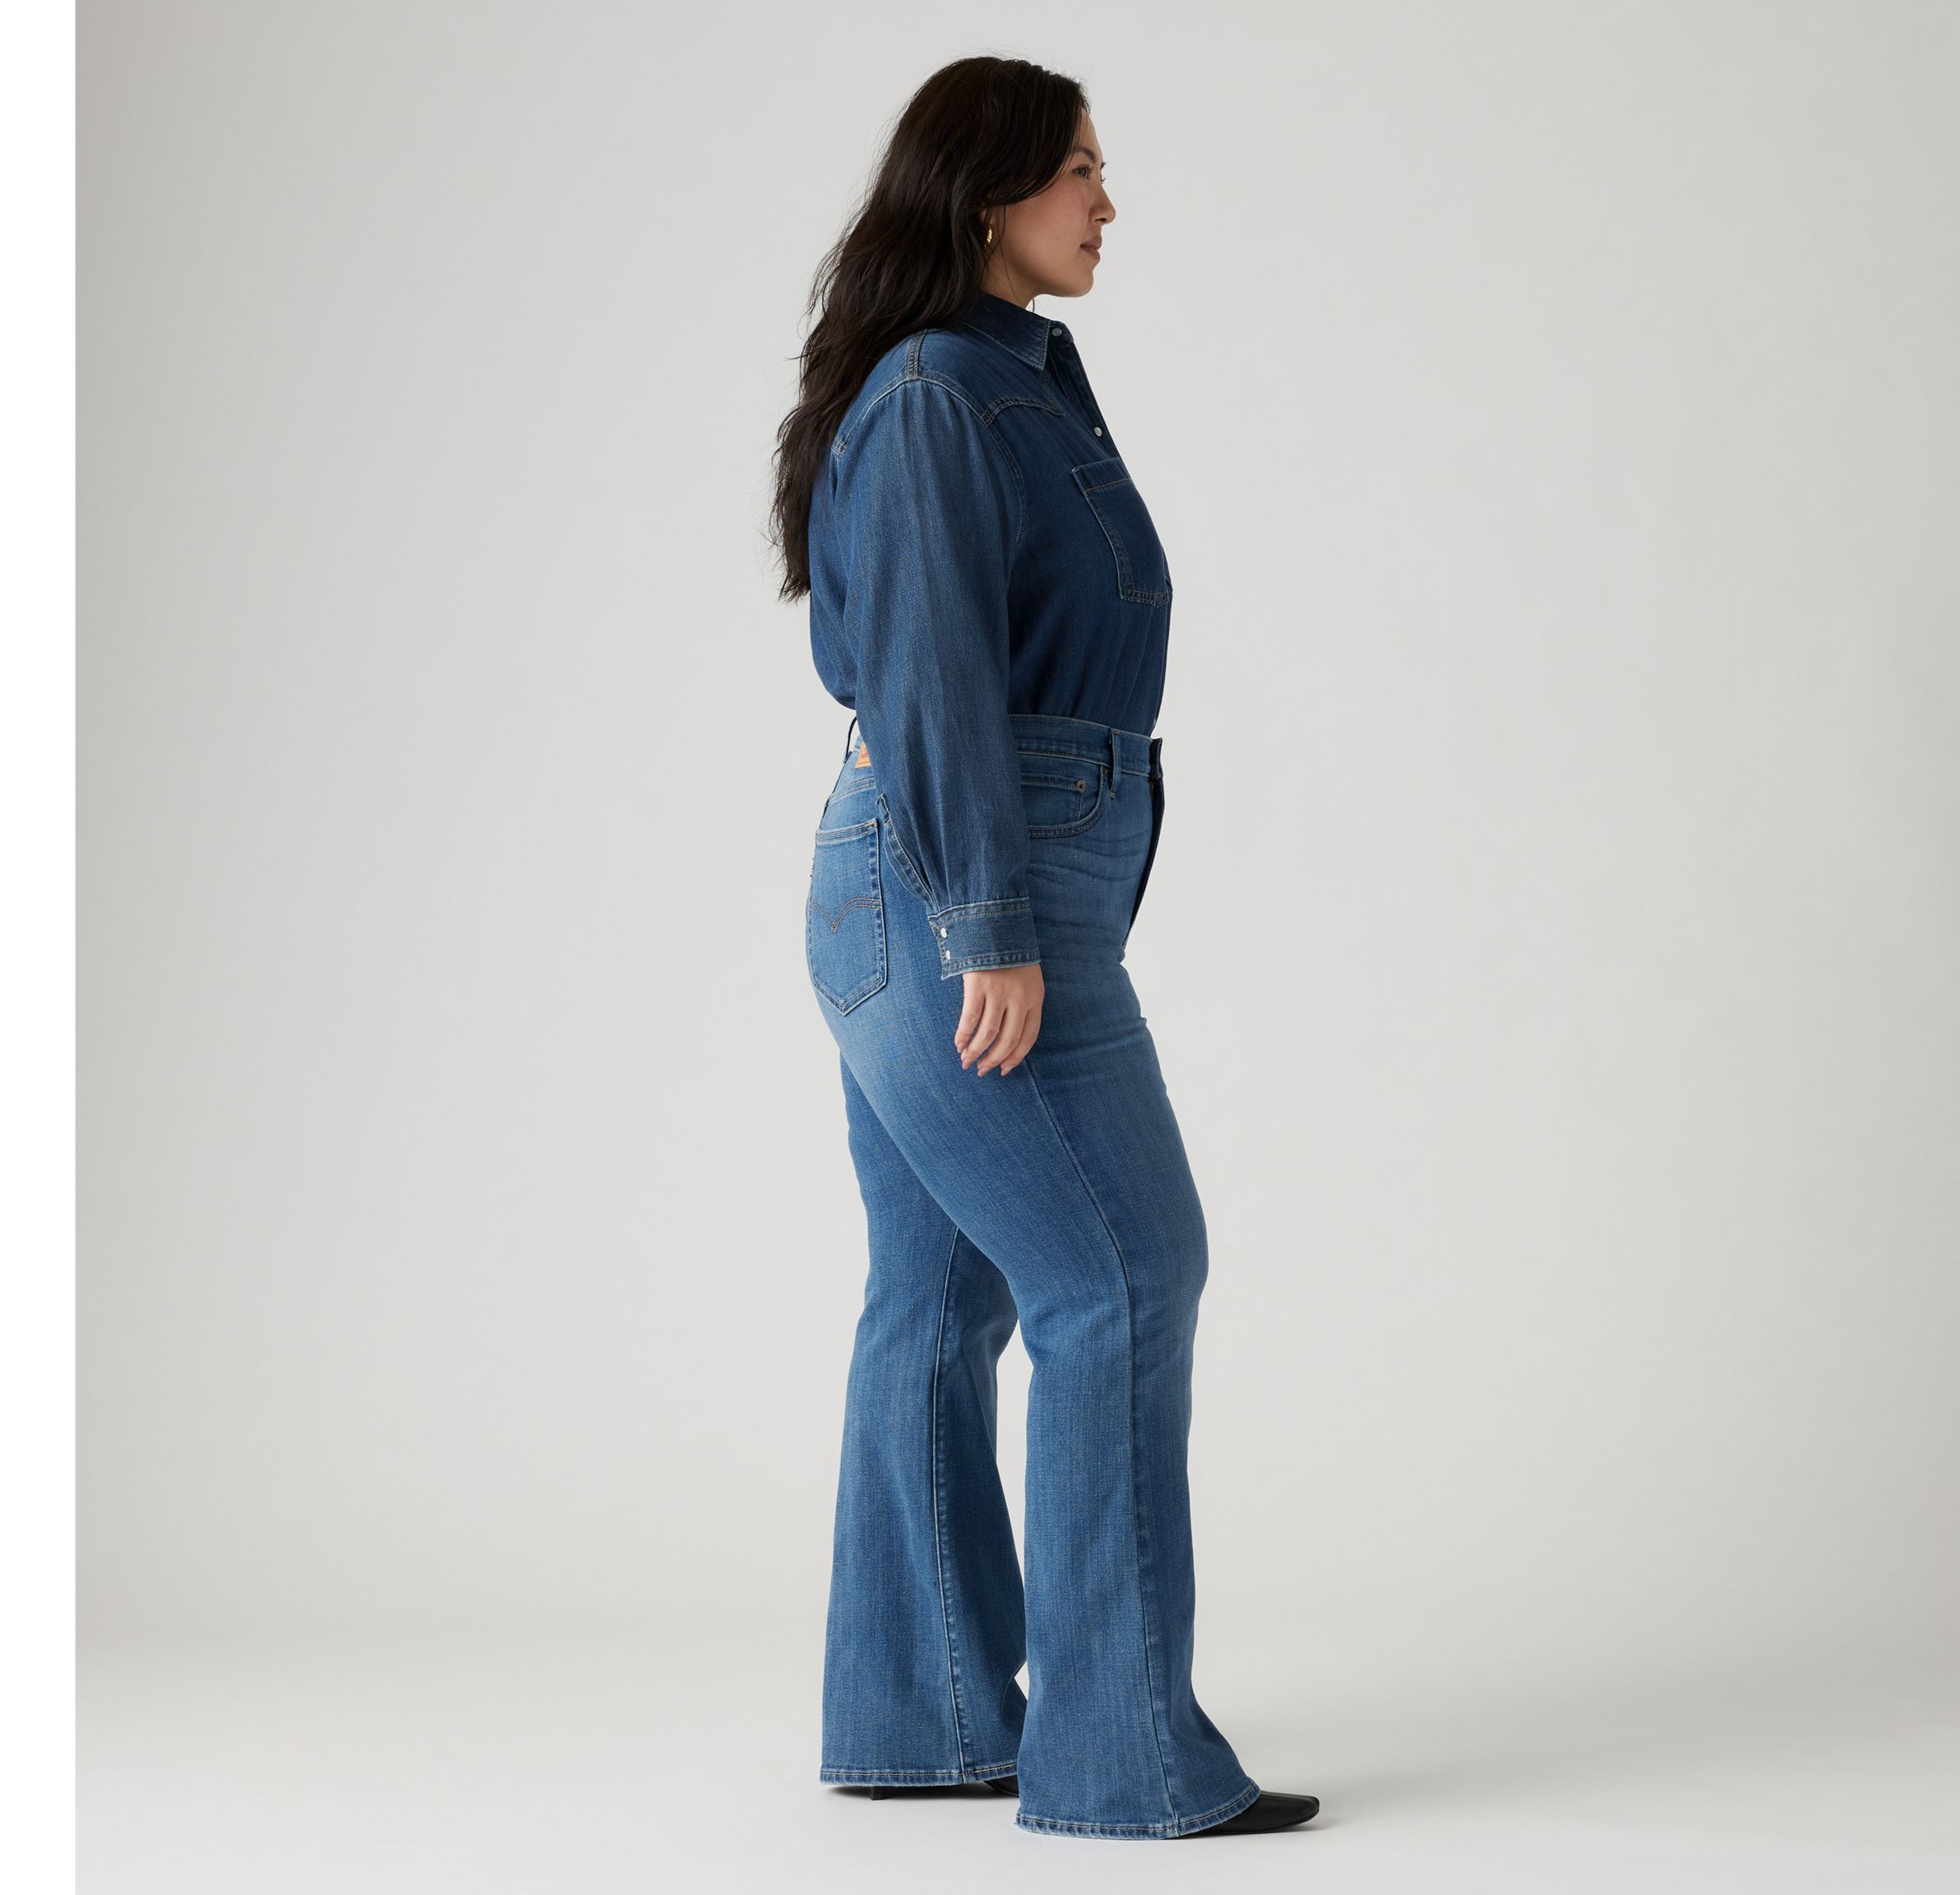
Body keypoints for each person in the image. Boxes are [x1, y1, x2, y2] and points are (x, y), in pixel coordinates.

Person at [766, 56, 1317, 1841]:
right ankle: (1120, 1756)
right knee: (1124, 1273)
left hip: (947, 871)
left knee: (941, 1297)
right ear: (986, 189)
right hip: (960, 880)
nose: (1105, 200)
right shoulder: (941, 389)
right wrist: (993, 924)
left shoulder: (1010, 377)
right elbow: (930, 666)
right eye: (1078, 169)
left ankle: (923, 1710)